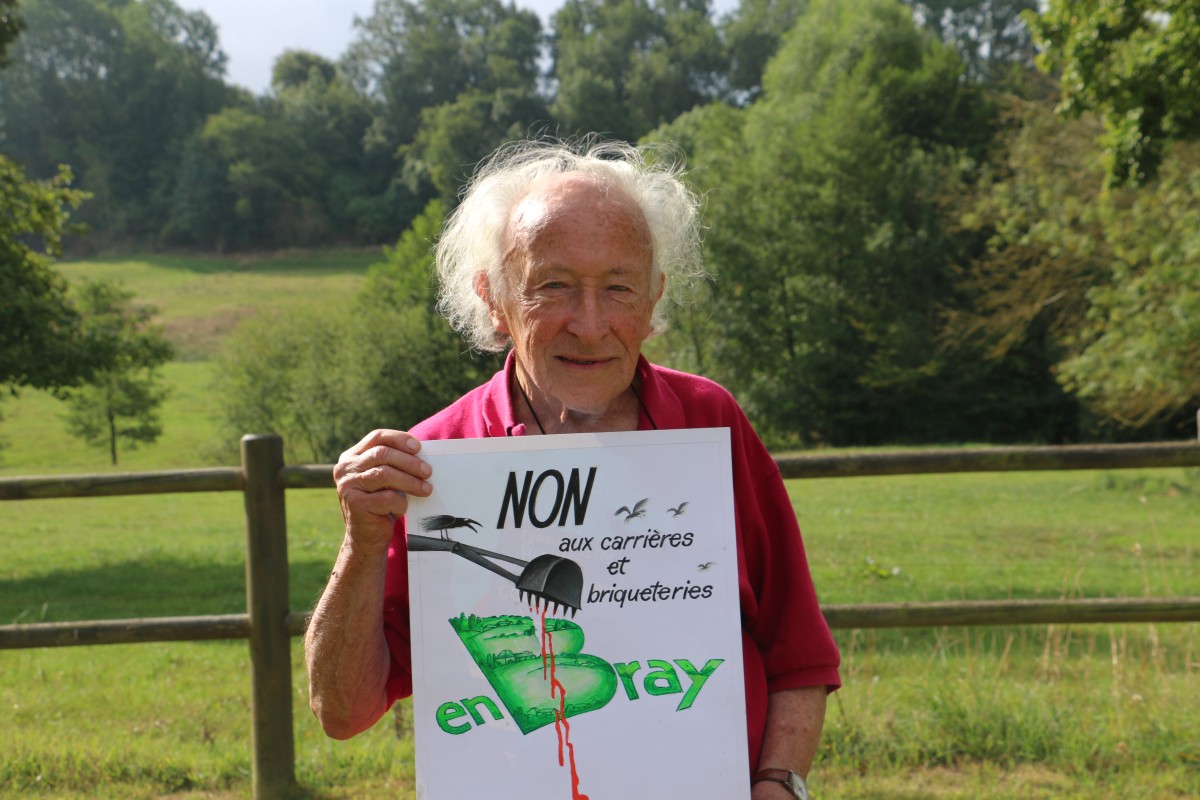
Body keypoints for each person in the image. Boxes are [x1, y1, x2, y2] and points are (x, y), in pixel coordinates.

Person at [304, 139, 841, 800]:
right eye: (553, 286)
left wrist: (779, 782)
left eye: (618, 288)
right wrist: (361, 541)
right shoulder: (433, 463)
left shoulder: (710, 422)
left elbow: (798, 652)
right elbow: (342, 711)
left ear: (653, 301)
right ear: (494, 299)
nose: (590, 326)